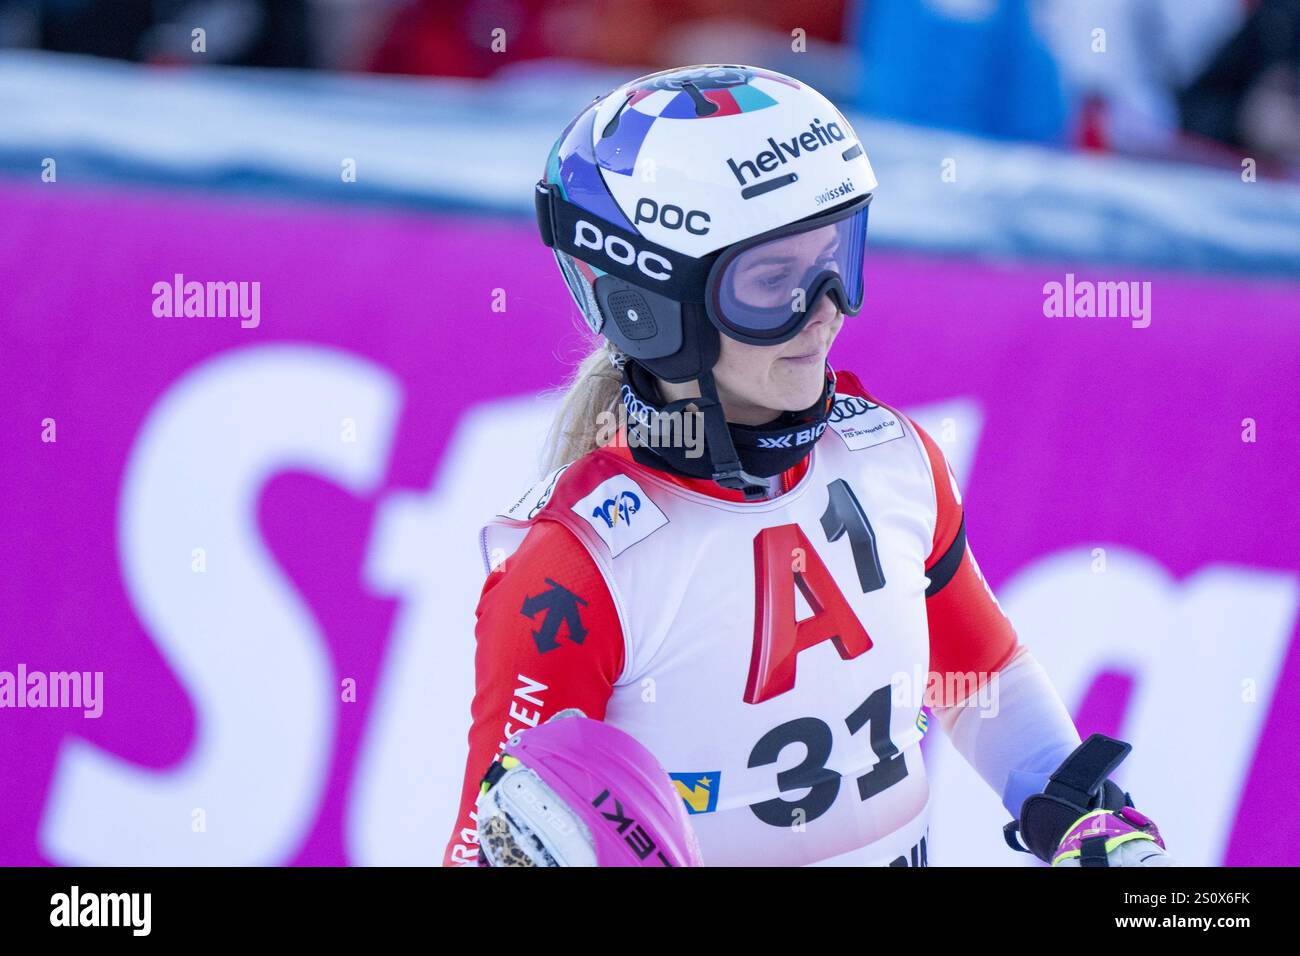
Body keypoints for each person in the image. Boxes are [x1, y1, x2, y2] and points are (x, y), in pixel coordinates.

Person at [443, 64, 1170, 867]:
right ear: (648, 306)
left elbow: (977, 674)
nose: (825, 306)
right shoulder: (575, 569)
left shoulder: (891, 461)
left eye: (835, 258)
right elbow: (491, 840)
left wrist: (1082, 816)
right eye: (771, 279)